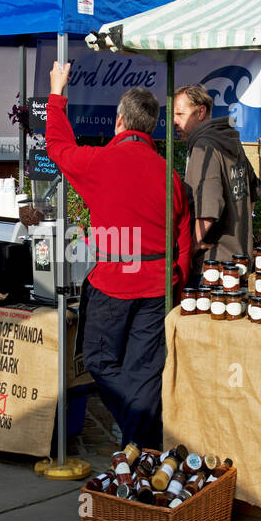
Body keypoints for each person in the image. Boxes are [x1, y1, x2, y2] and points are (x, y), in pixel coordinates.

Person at [46, 61, 192, 449]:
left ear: (119, 121)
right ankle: (142, 445)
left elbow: (58, 148)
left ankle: (139, 445)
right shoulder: (170, 176)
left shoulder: (101, 162)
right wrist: (175, 280)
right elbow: (184, 236)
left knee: (98, 360)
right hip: (156, 286)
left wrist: (58, 92)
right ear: (150, 126)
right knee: (142, 373)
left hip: (114, 280)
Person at [173, 83, 261, 267]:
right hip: (240, 258)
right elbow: (254, 191)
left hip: (213, 264)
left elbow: (208, 210)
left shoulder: (203, 147)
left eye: (180, 114)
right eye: (173, 115)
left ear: (201, 112)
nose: (174, 121)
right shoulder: (230, 142)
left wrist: (192, 246)